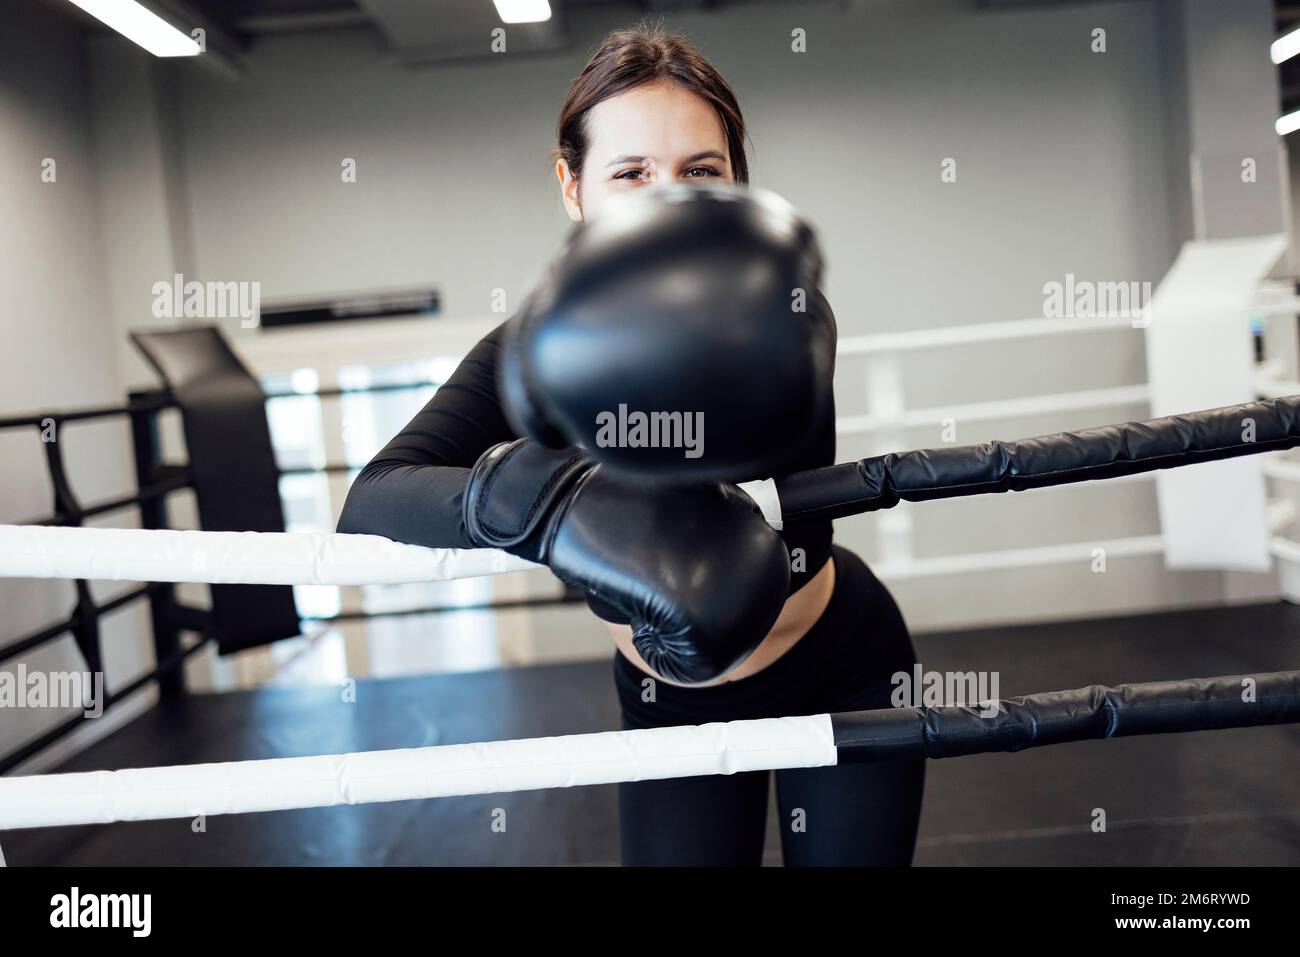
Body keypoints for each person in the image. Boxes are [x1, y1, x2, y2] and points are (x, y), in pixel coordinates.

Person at [338, 24, 925, 866]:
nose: (669, 199)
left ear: (737, 186)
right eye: (631, 173)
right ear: (572, 187)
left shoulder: (784, 319)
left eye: (700, 170)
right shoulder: (532, 351)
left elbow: (777, 512)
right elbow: (372, 497)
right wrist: (536, 505)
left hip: (840, 670)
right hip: (666, 698)